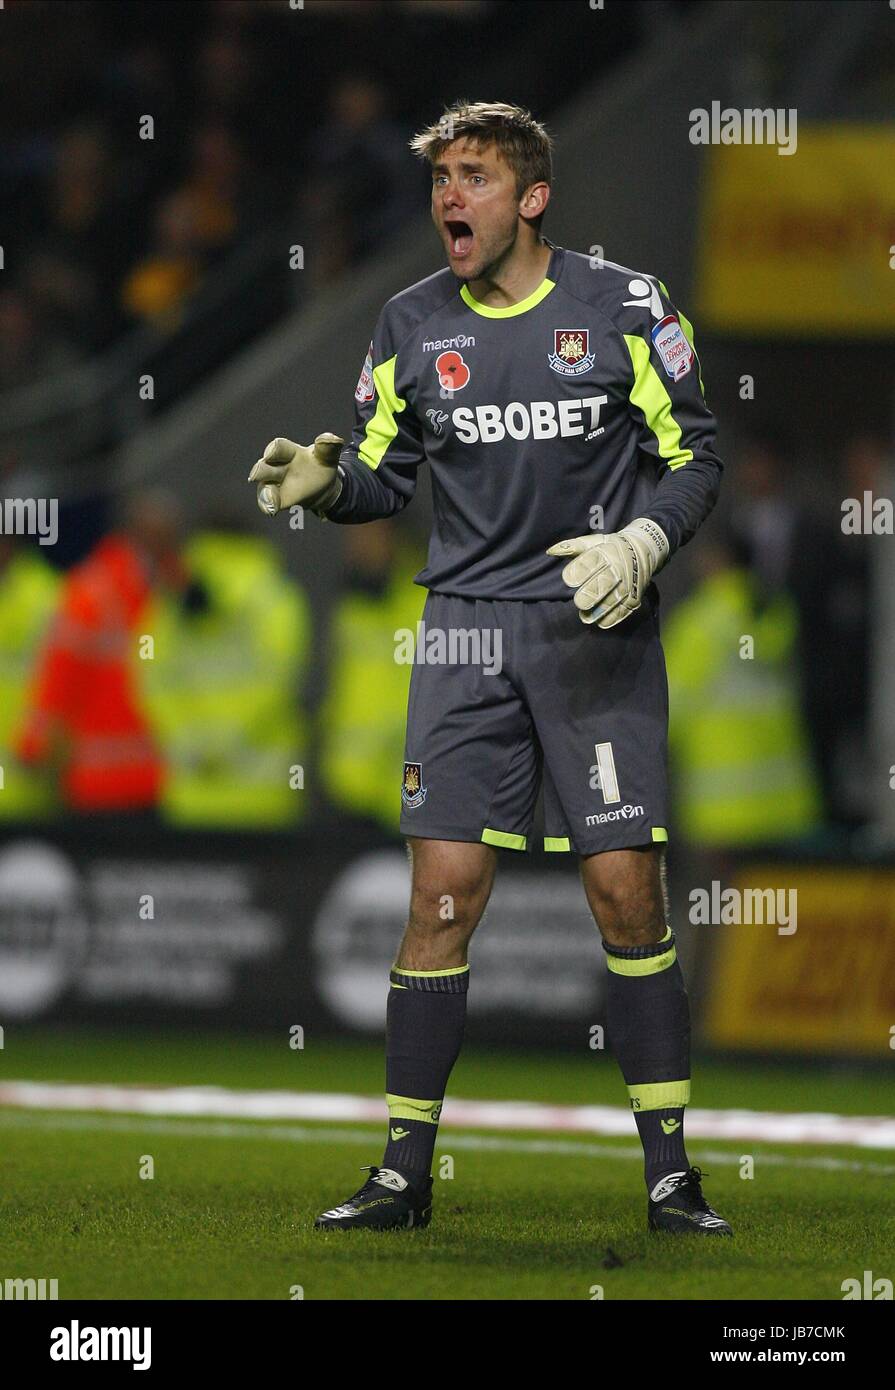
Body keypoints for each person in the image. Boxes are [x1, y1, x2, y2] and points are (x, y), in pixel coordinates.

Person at [248, 102, 729, 1236]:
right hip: (462, 635)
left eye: (472, 177)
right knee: (441, 895)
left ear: (533, 196)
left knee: (625, 893)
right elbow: (380, 475)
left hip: (591, 625)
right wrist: (327, 486)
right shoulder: (408, 322)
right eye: (440, 180)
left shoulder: (625, 306)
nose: (448, 198)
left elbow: (695, 452)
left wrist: (642, 540)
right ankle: (401, 1176)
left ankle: (671, 1176)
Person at [15, 492, 188, 818]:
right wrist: (35, 749)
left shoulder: (178, 592)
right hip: (101, 785)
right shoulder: (93, 593)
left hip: (170, 785)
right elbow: (59, 679)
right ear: (131, 533)